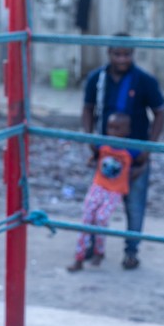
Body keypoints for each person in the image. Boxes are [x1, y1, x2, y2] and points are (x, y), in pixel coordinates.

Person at [81, 34, 164, 270]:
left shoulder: (145, 81)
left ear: (133, 55)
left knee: (135, 205)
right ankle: (92, 246)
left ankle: (131, 252)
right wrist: (89, 140)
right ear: (109, 53)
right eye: (117, 53)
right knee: (95, 204)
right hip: (105, 155)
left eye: (126, 54)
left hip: (135, 155)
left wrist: (148, 150)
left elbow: (160, 112)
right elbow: (87, 109)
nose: (122, 58)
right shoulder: (96, 79)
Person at [68, 113, 145, 272]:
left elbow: (145, 156)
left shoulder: (130, 149)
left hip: (115, 190)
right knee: (87, 217)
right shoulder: (103, 144)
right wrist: (92, 158)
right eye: (110, 127)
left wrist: (139, 170)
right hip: (98, 186)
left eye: (118, 128)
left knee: (102, 218)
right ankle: (79, 258)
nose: (113, 132)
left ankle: (99, 251)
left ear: (127, 131)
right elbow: (95, 152)